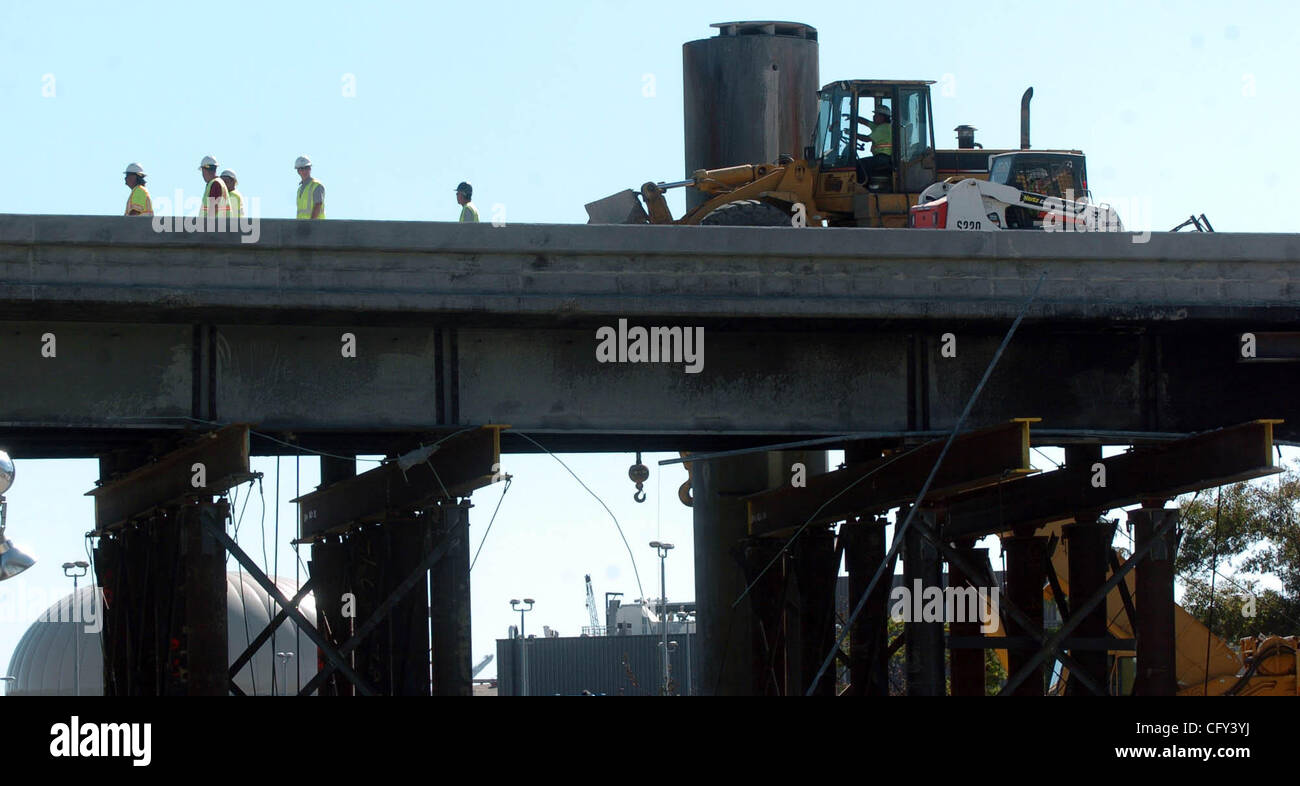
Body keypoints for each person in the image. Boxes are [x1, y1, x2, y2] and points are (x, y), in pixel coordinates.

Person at [857, 106, 894, 185]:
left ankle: (861, 186)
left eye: (876, 115)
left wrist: (852, 134)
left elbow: (866, 139)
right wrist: (854, 118)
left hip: (883, 158)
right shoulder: (880, 126)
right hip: (882, 157)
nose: (873, 117)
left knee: (860, 165)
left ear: (883, 117)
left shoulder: (884, 128)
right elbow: (866, 122)